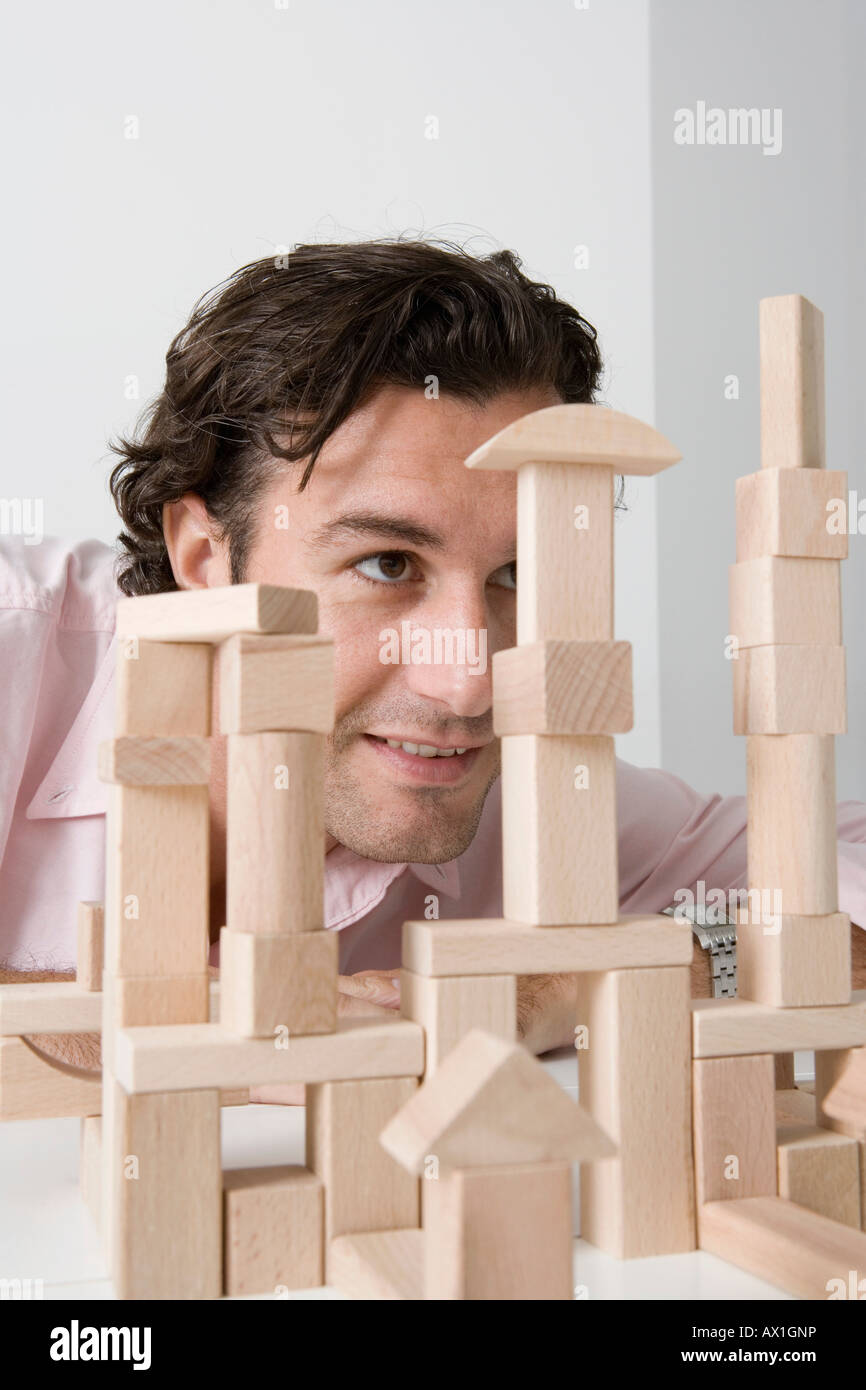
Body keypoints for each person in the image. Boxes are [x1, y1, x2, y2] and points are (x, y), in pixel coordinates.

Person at [2, 240, 864, 1099]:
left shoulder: (531, 785)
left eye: (517, 576)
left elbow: (837, 875)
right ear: (204, 557)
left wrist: (563, 984)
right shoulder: (18, 645)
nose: (470, 682)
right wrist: (192, 1030)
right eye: (387, 564)